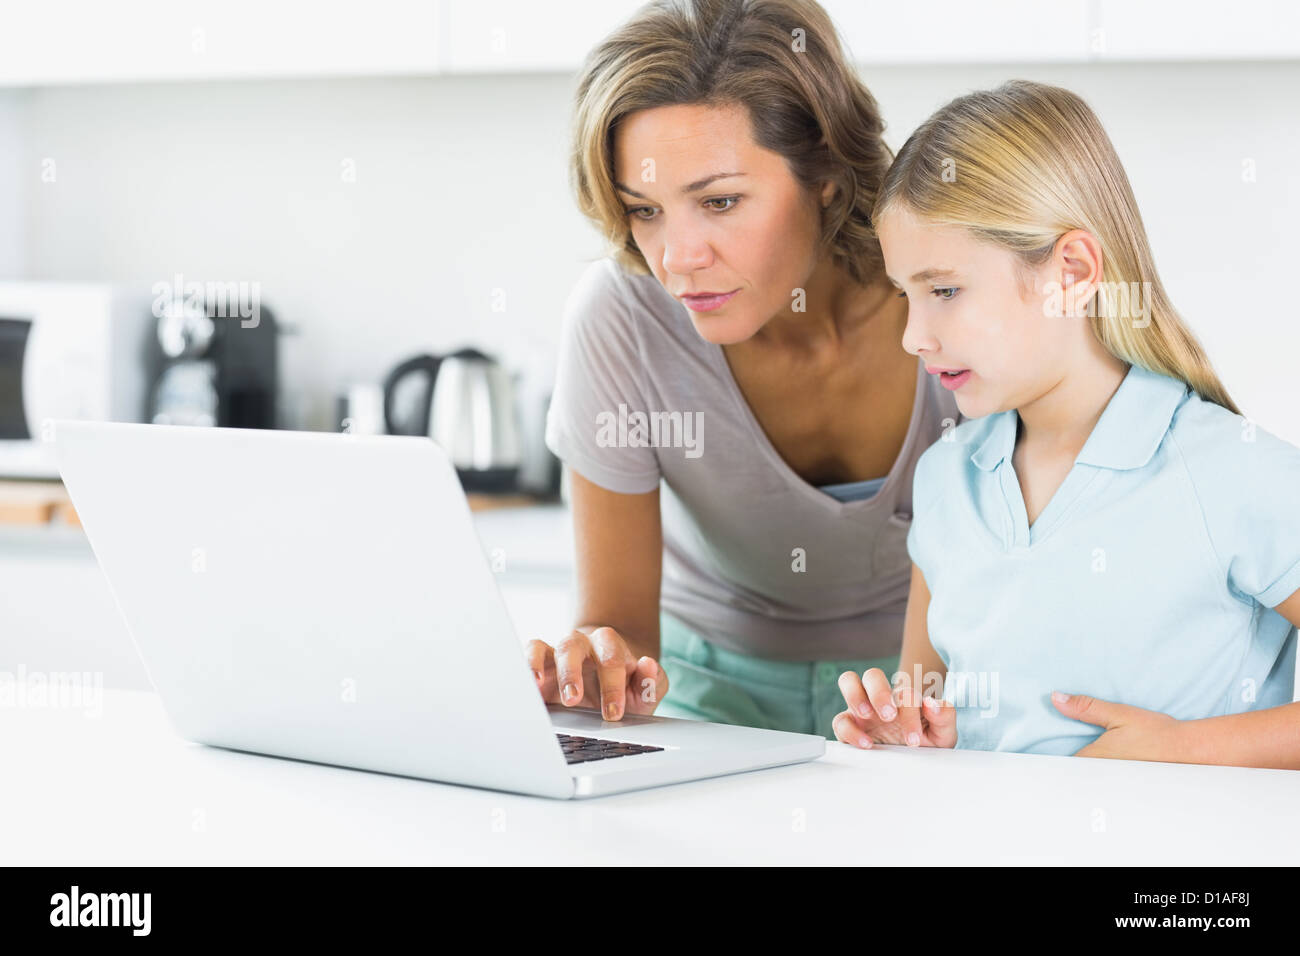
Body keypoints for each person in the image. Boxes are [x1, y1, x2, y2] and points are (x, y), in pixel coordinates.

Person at [833, 79, 1300, 771]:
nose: (914, 337)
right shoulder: (945, 479)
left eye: (945, 291)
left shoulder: (1231, 471)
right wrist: (912, 735)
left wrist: (1185, 749)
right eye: (906, 296)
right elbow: (929, 699)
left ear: (1072, 272)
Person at [528, 0, 961, 739]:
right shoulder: (622, 317)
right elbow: (622, 628)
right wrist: (600, 669)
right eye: (645, 210)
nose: (676, 258)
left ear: (824, 173)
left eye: (720, 201)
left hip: (931, 688)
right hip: (711, 693)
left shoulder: (949, 295)